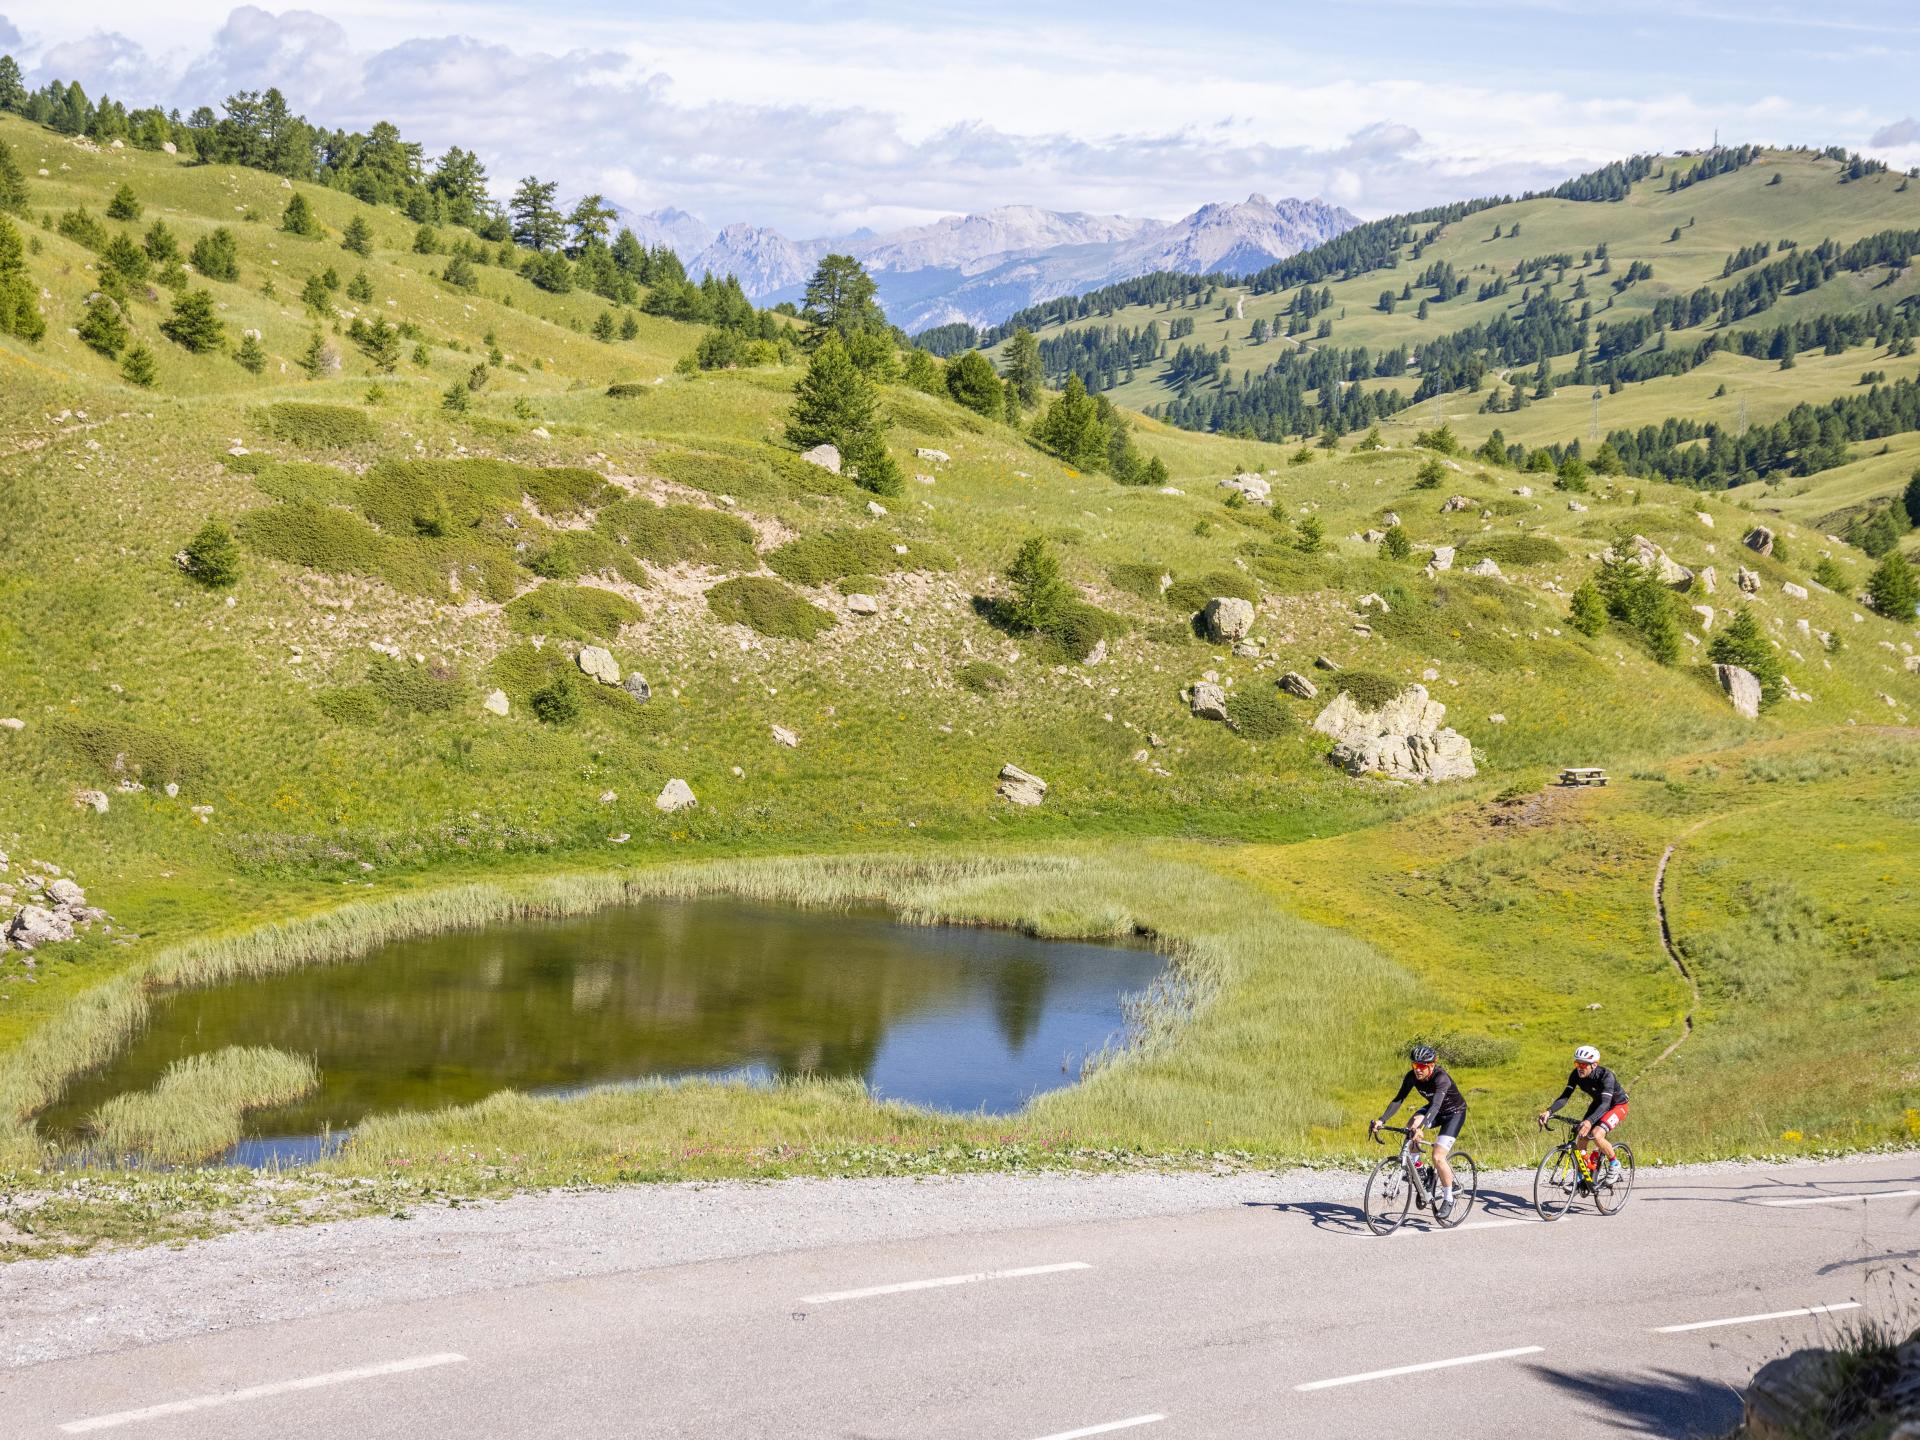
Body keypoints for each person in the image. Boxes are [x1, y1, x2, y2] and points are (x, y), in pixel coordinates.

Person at [1371, 1044, 1467, 1216]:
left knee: (1438, 1156)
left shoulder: (1441, 1078)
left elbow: (1436, 1105)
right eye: (1415, 1065)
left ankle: (1448, 1198)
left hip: (1454, 1113)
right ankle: (1420, 1170)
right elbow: (1399, 1099)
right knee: (1411, 1126)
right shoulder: (1412, 1077)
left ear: (1432, 1065)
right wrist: (1381, 1120)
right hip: (1434, 1111)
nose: (1418, 1070)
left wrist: (1422, 1128)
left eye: (1422, 1066)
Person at [1538, 1045, 1629, 1182]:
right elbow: (1565, 1096)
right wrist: (1549, 1111)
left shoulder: (1606, 1076)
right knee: (1582, 1136)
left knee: (1596, 1135)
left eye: (1583, 1064)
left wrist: (1589, 1121)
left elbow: (1606, 1104)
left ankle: (1615, 1163)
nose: (1579, 1067)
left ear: (1594, 1065)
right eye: (1577, 1063)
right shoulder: (1576, 1074)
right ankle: (1581, 1176)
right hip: (1598, 1103)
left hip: (1617, 1105)